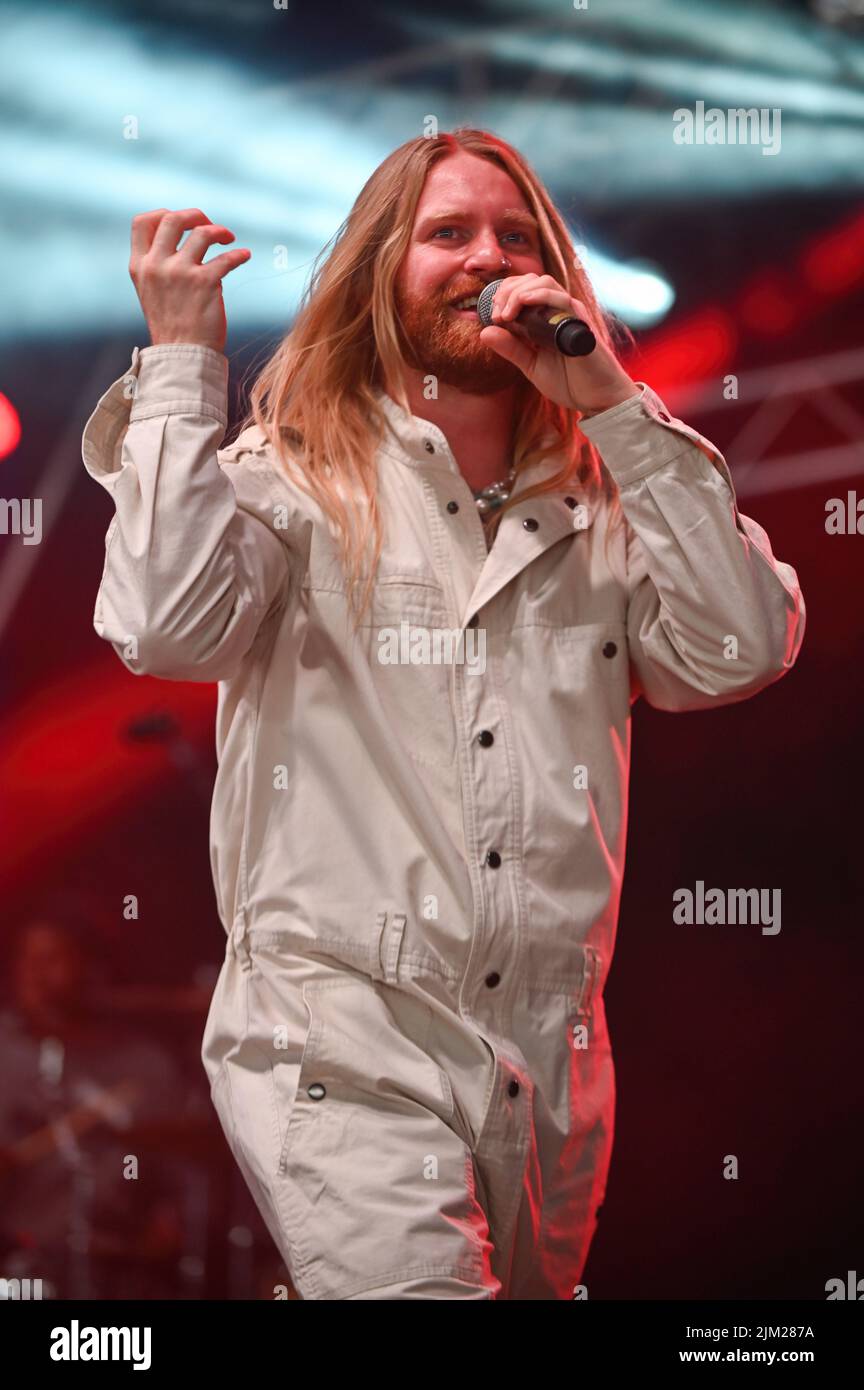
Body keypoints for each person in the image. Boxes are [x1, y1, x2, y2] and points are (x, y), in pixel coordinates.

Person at [80, 128, 806, 1300]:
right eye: (449, 233)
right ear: (383, 273)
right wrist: (178, 367)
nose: (487, 258)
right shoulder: (292, 479)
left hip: (550, 1063)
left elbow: (741, 645)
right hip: (342, 1035)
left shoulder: (607, 505)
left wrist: (614, 407)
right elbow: (163, 627)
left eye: (516, 237)